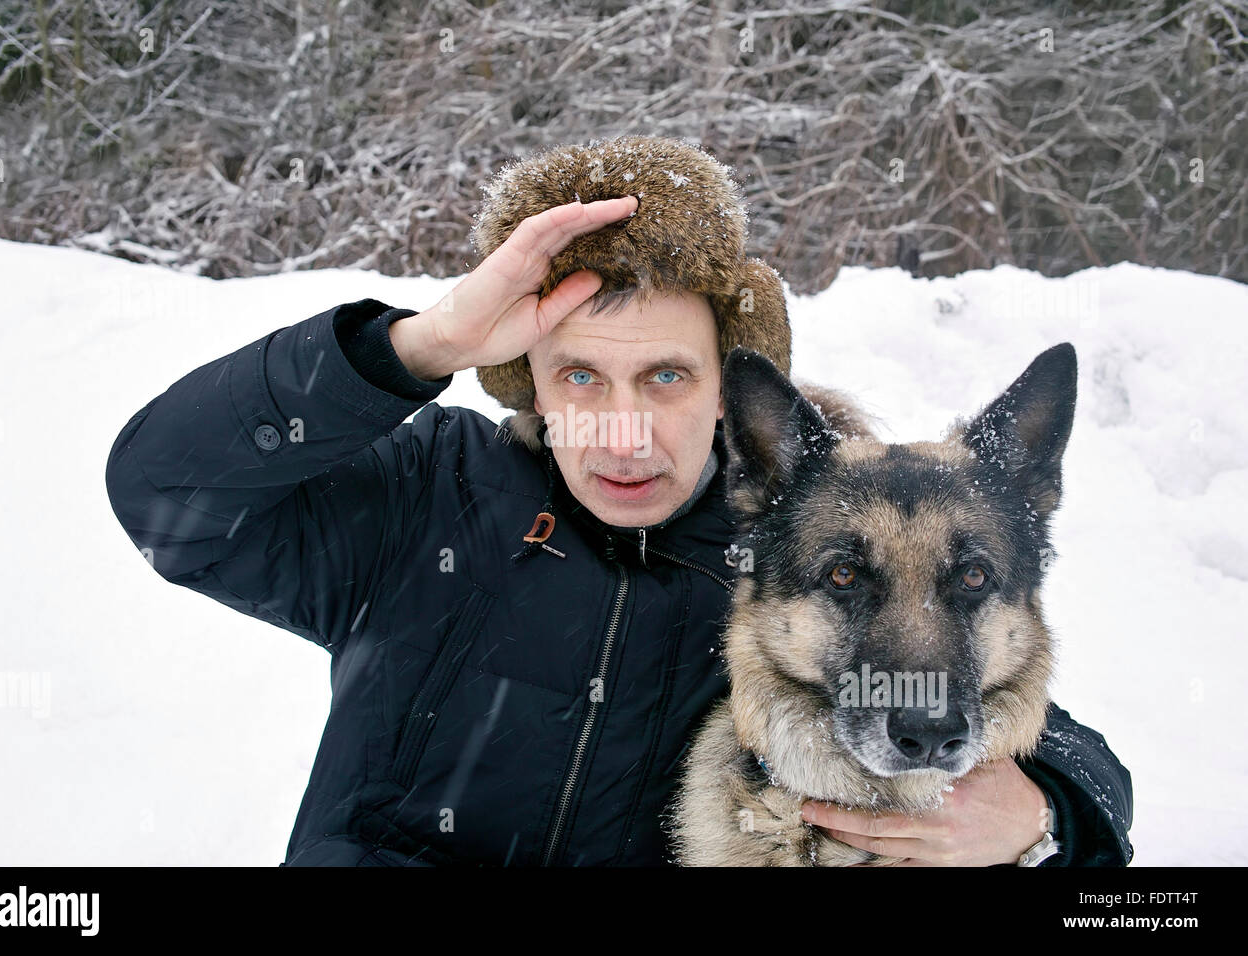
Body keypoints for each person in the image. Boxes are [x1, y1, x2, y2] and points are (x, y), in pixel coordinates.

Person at [104, 135, 1133, 866]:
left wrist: (1049, 813)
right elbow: (168, 493)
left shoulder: (789, 541)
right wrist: (417, 346)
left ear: (732, 388)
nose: (623, 431)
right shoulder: (427, 497)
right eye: (581, 377)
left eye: (668, 378)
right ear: (522, 373)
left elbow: (1006, 716)